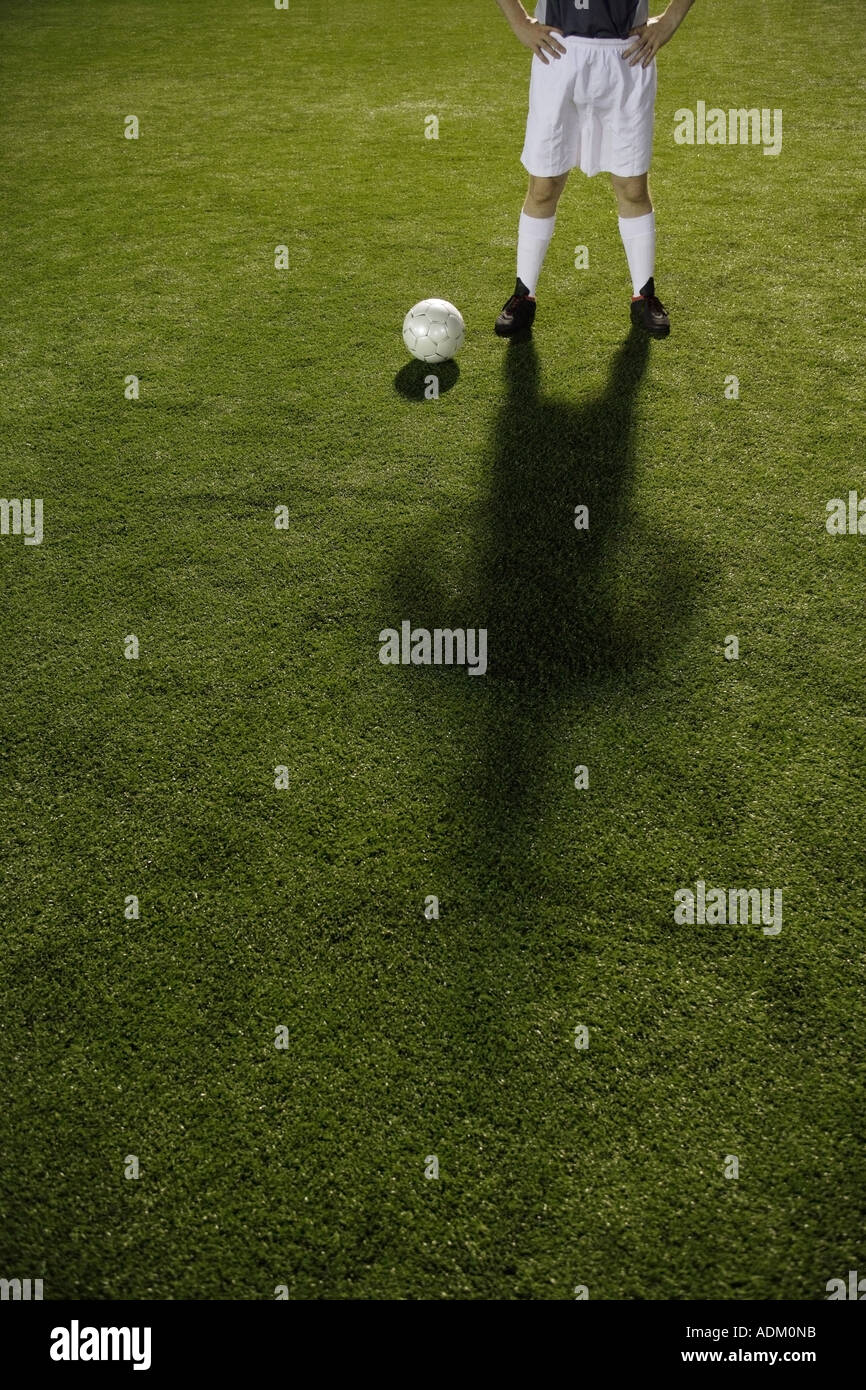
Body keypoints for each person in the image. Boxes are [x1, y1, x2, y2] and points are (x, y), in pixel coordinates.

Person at [493, 0, 696, 339]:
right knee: (544, 186)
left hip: (627, 56)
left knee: (632, 187)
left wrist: (671, 19)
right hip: (558, 54)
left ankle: (643, 296)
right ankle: (523, 295)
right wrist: (519, 21)